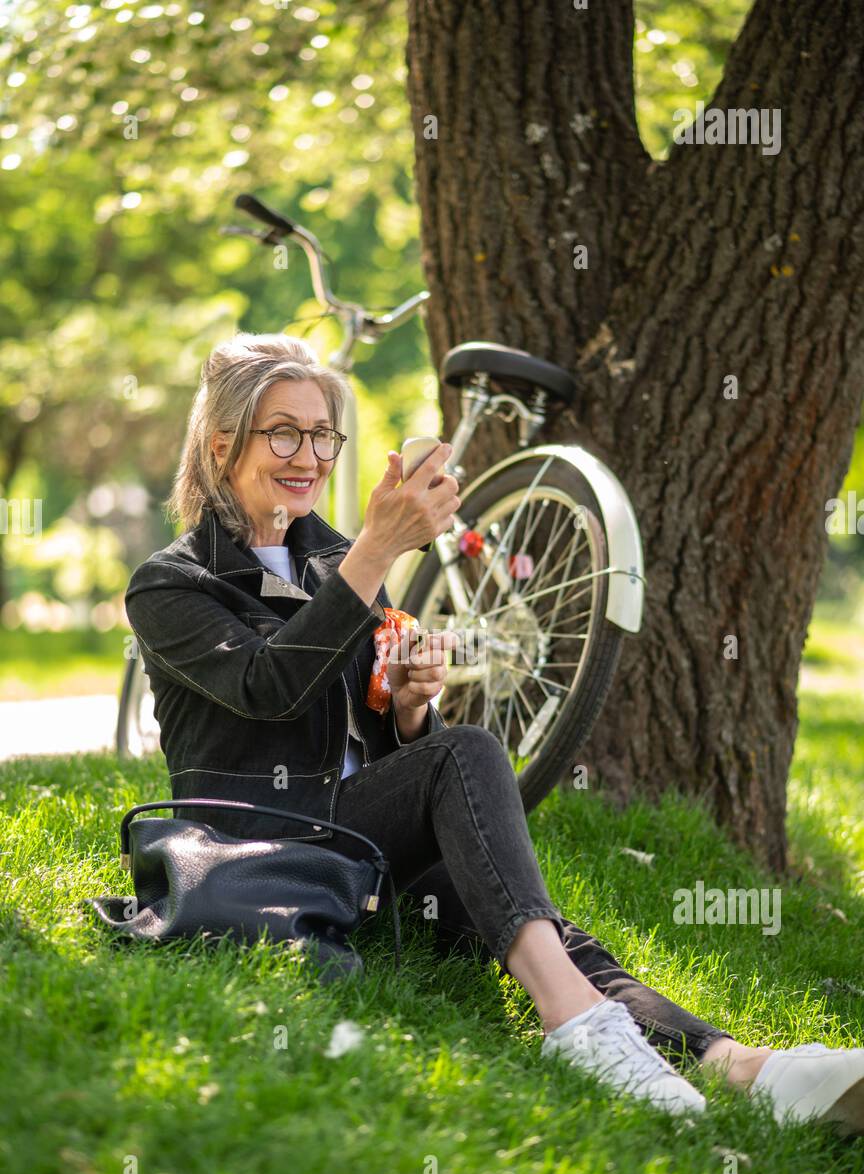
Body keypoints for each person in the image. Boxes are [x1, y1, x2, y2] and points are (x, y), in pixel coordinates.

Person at [124, 332, 864, 1132]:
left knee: (529, 920)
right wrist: (375, 552)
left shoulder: (330, 558)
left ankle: (745, 1066)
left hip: (354, 841)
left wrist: (406, 709)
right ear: (222, 441)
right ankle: (577, 1028)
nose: (308, 454)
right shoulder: (171, 584)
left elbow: (380, 744)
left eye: (322, 433)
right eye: (283, 432)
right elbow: (268, 690)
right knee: (472, 754)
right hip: (264, 841)